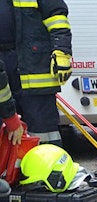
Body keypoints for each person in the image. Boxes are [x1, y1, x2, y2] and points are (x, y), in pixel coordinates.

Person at [0, 0, 71, 145]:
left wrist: (61, 50)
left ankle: (48, 164)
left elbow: (57, 16)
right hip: (4, 65)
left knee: (43, 132)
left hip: (35, 70)